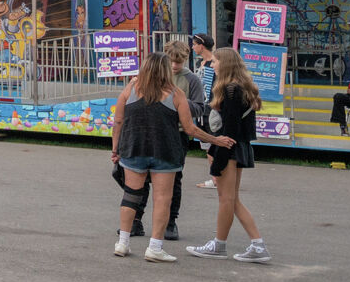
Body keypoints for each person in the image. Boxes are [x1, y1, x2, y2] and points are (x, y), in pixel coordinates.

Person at [112, 49, 230, 260]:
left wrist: (115, 150)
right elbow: (190, 128)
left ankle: (123, 243)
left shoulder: (130, 88)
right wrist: (216, 139)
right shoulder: (176, 94)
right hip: (165, 151)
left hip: (133, 148)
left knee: (130, 196)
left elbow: (118, 120)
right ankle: (155, 248)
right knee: (162, 199)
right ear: (166, 70)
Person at [188, 49, 272, 263]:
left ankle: (220, 244)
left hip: (228, 147)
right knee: (232, 200)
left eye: (214, 61)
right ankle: (257, 244)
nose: (212, 65)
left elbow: (230, 129)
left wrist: (218, 162)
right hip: (237, 147)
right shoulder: (241, 87)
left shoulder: (231, 89)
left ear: (224, 64)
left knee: (226, 199)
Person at [190, 33, 221, 191]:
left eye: (195, 44)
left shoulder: (214, 64)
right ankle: (215, 178)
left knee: (212, 142)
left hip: (210, 108)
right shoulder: (201, 63)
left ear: (201, 46)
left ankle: (216, 179)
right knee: (207, 144)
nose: (193, 47)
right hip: (202, 108)